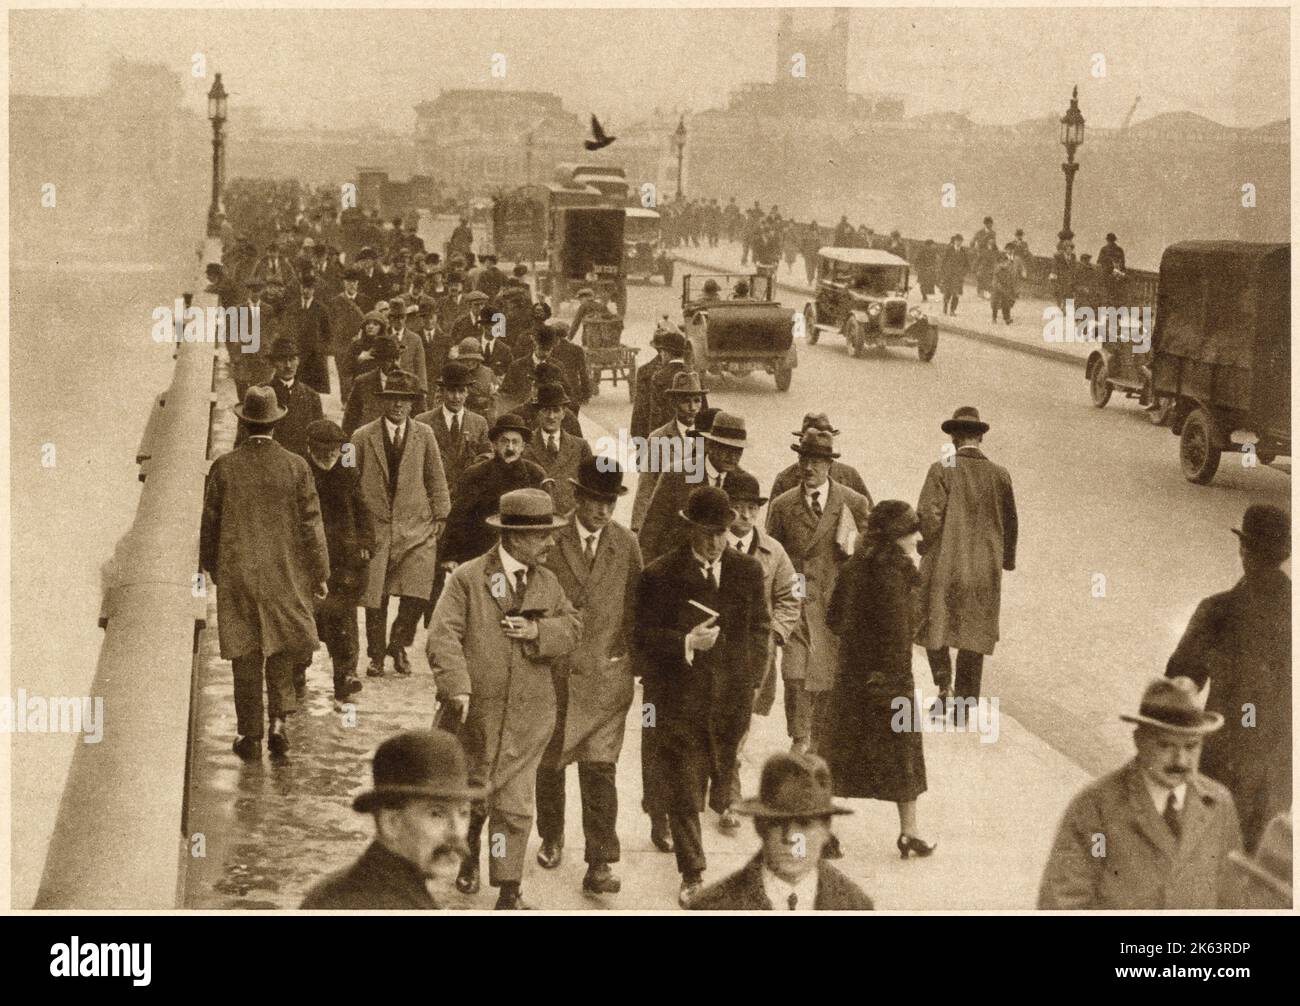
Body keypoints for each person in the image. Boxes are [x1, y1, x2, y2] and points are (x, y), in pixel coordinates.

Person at [427, 489, 582, 909]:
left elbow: (572, 627)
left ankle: (509, 890)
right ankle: (470, 859)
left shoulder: (549, 583)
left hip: (529, 716)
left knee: (514, 806)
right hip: (477, 714)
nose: (551, 543)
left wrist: (538, 633)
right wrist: (456, 686)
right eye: (543, 536)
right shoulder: (469, 579)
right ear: (514, 537)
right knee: (477, 795)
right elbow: (443, 635)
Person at [634, 486, 771, 907]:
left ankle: (663, 814)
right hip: (677, 698)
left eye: (721, 532)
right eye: (705, 533)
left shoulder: (747, 570)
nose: (714, 543)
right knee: (683, 780)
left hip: (729, 696)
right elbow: (640, 638)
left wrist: (752, 680)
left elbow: (759, 629)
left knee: (719, 773)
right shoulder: (660, 574)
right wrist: (686, 643)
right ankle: (692, 871)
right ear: (689, 529)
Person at [200, 386, 329, 761]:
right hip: (284, 573)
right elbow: (311, 524)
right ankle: (279, 723)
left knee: (245, 654)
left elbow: (209, 525)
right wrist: (320, 572)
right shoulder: (296, 466)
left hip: (238, 573)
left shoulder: (224, 467)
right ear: (275, 423)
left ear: (244, 422)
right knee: (282, 649)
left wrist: (214, 567)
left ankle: (250, 734)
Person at [1038, 677, 1243, 909]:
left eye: (1191, 746)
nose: (1180, 760)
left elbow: (1234, 899)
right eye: (1165, 745)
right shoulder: (1097, 808)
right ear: (1139, 741)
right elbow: (1062, 902)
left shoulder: (1218, 804)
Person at [534, 460, 643, 894]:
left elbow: (636, 604)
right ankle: (551, 834)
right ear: (578, 498)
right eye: (595, 500)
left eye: (609, 502)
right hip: (554, 672)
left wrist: (627, 655)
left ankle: (600, 861)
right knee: (550, 761)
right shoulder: (553, 540)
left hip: (604, 677)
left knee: (600, 770)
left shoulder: (626, 544)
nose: (601, 510)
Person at [1165, 503, 1291, 852]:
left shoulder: (1219, 610)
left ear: (1244, 550)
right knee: (1253, 865)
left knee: (1206, 857)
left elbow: (1179, 680)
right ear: (1284, 554)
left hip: (1222, 765)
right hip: (1278, 773)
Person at [826, 500, 936, 858]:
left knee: (841, 755)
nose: (918, 538)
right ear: (898, 536)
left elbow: (834, 619)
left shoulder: (854, 566)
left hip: (852, 679)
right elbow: (901, 633)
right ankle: (909, 832)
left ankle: (824, 832)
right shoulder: (899, 574)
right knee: (904, 759)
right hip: (892, 681)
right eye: (912, 531)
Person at [765, 429, 871, 759]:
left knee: (826, 677)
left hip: (832, 604)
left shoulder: (852, 502)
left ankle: (820, 740)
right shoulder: (783, 506)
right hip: (795, 600)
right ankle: (799, 737)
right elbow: (771, 553)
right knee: (794, 674)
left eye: (815, 461)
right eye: (803, 460)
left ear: (829, 465)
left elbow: (864, 556)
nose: (808, 468)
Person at [301, 730, 479, 909]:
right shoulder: (381, 903)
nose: (457, 832)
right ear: (391, 823)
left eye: (463, 813)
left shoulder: (343, 889)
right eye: (436, 814)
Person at [917, 407, 1018, 718]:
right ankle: (964, 705)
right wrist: (1005, 560)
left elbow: (929, 516)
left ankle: (944, 687)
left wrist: (925, 545)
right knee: (974, 632)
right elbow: (1011, 522)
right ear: (981, 437)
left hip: (946, 565)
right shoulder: (1000, 474)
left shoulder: (942, 468)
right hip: (984, 571)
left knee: (935, 624)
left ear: (953, 437)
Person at [717, 471, 801, 834]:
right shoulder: (712, 544)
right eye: (737, 508)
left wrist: (778, 635)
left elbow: (790, 597)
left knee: (739, 725)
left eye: (751, 507)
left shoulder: (773, 551)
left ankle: (728, 799)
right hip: (715, 650)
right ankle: (720, 789)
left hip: (755, 654)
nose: (745, 515)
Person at [353, 370, 450, 678]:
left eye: (404, 400)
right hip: (376, 529)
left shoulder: (425, 435)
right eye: (393, 399)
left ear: (412, 405)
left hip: (416, 528)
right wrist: (356, 529)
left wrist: (441, 516)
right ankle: (377, 655)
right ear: (384, 402)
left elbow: (436, 478)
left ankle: (398, 644)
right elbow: (350, 484)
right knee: (375, 596)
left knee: (417, 593)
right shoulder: (362, 437)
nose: (398, 406)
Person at [690, 752, 872, 911]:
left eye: (804, 823)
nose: (791, 838)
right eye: (777, 822)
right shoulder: (713, 906)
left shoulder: (856, 905)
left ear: (826, 830)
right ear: (760, 827)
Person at [301, 419, 372, 701]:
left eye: (334, 451)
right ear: (311, 449)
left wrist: (366, 543)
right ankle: (297, 671)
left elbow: (363, 511)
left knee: (344, 619)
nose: (329, 456)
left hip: (344, 560)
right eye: (323, 451)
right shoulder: (301, 472)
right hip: (309, 558)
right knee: (305, 618)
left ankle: (345, 675)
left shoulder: (347, 473)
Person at [639, 411, 752, 564]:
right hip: (677, 568)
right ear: (710, 445)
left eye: (738, 451)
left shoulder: (744, 482)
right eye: (726, 449)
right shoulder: (677, 475)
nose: (733, 457)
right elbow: (651, 530)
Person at [440, 413, 548, 567]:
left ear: (523, 446)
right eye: (504, 441)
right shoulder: (475, 474)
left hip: (523, 554)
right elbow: (459, 517)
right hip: (480, 553)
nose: (510, 448)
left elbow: (543, 521)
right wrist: (451, 556)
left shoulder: (535, 474)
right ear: (494, 445)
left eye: (515, 442)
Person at [630, 370, 705, 532]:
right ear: (673, 403)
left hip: (703, 522)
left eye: (697, 401)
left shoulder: (709, 437)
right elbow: (646, 485)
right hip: (669, 522)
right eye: (686, 401)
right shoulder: (658, 438)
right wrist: (638, 527)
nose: (692, 407)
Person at [235, 336, 323, 459]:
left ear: (298, 361)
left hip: (298, 466)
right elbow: (242, 439)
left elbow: (319, 439)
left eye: (292, 359)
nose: (288, 365)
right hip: (265, 461)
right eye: (282, 360)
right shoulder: (258, 394)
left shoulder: (311, 396)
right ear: (273, 363)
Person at [522, 383, 592, 516]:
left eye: (556, 410)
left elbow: (590, 488)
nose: (551, 416)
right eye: (546, 410)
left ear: (564, 414)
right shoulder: (524, 446)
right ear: (538, 413)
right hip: (535, 518)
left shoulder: (580, 446)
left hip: (569, 519)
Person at [769, 413, 870, 500]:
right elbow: (774, 518)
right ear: (801, 442)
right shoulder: (784, 479)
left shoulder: (849, 475)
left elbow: (870, 517)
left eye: (824, 439)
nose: (815, 445)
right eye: (808, 438)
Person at [343, 334, 428, 437]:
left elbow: (421, 418)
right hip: (371, 441)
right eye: (389, 360)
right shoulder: (362, 382)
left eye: (397, 359)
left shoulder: (413, 382)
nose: (395, 364)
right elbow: (350, 421)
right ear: (379, 361)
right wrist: (348, 451)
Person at [630, 324, 685, 442]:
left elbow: (641, 411)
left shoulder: (647, 372)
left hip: (658, 439)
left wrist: (638, 439)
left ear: (663, 351)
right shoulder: (693, 374)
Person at [280, 273, 332, 394]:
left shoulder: (321, 309)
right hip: (297, 353)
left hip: (315, 355)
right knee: (296, 386)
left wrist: (321, 349)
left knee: (314, 388)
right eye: (303, 287)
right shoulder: (292, 308)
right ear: (300, 288)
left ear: (314, 290)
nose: (306, 291)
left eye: (309, 288)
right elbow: (287, 329)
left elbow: (327, 333)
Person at [939, 234, 968, 316]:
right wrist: (943, 274)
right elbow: (943, 263)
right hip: (949, 276)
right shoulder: (949, 250)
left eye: (960, 241)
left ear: (962, 242)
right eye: (957, 240)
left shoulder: (963, 251)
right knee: (947, 293)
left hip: (958, 277)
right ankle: (945, 307)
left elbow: (966, 264)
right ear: (954, 241)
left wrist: (963, 273)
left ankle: (952, 310)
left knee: (956, 294)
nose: (959, 242)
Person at [991, 247, 1018, 325]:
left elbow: (1010, 280)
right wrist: (1000, 288)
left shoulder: (1007, 271)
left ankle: (1007, 318)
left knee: (1006, 305)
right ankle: (994, 318)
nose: (1006, 264)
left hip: (1005, 290)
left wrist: (1011, 289)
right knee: (995, 305)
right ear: (1000, 263)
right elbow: (995, 281)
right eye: (1003, 263)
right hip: (997, 290)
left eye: (1006, 263)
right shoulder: (997, 270)